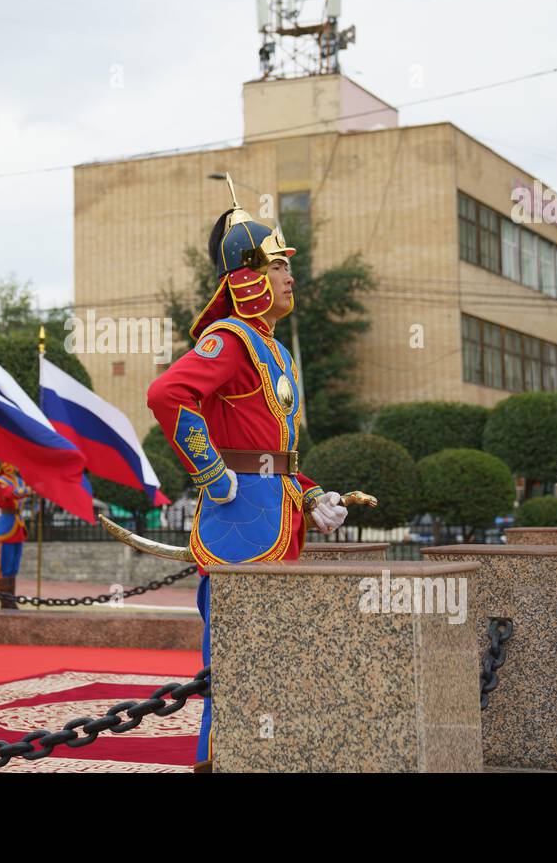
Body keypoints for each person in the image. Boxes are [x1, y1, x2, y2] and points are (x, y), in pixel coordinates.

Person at [146, 176, 347, 771]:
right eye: (278, 264)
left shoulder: (273, 349)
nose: (290, 274)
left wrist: (310, 495)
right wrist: (211, 473)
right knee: (235, 668)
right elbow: (166, 394)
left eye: (287, 264)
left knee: (269, 664)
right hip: (241, 525)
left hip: (276, 515)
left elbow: (270, 453)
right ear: (249, 277)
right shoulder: (231, 340)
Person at [0, 462, 32, 609]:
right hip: (6, 527)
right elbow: (10, 493)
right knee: (5, 567)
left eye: (11, 461)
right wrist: (30, 489)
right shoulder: (0, 482)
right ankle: (5, 601)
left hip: (18, 527)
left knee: (14, 567)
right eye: (4, 461)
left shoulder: (20, 481)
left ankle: (11, 600)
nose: (8, 465)